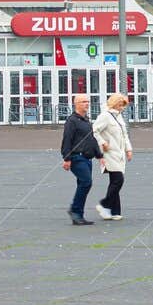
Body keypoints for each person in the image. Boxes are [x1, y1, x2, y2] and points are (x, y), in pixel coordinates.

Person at [60, 93, 101, 225]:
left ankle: (78, 215)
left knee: (83, 183)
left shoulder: (86, 120)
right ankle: (75, 210)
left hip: (87, 158)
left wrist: (100, 155)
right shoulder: (71, 121)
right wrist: (66, 158)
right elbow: (67, 140)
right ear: (76, 104)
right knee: (86, 182)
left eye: (88, 101)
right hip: (77, 157)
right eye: (83, 102)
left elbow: (92, 139)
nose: (87, 104)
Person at [94, 92, 132, 220]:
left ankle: (115, 211)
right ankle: (104, 204)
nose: (122, 108)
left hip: (119, 152)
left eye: (123, 106)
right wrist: (102, 142)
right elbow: (94, 130)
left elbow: (124, 134)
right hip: (109, 152)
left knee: (114, 181)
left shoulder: (119, 116)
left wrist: (128, 149)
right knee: (118, 180)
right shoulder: (105, 116)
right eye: (120, 105)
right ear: (114, 104)